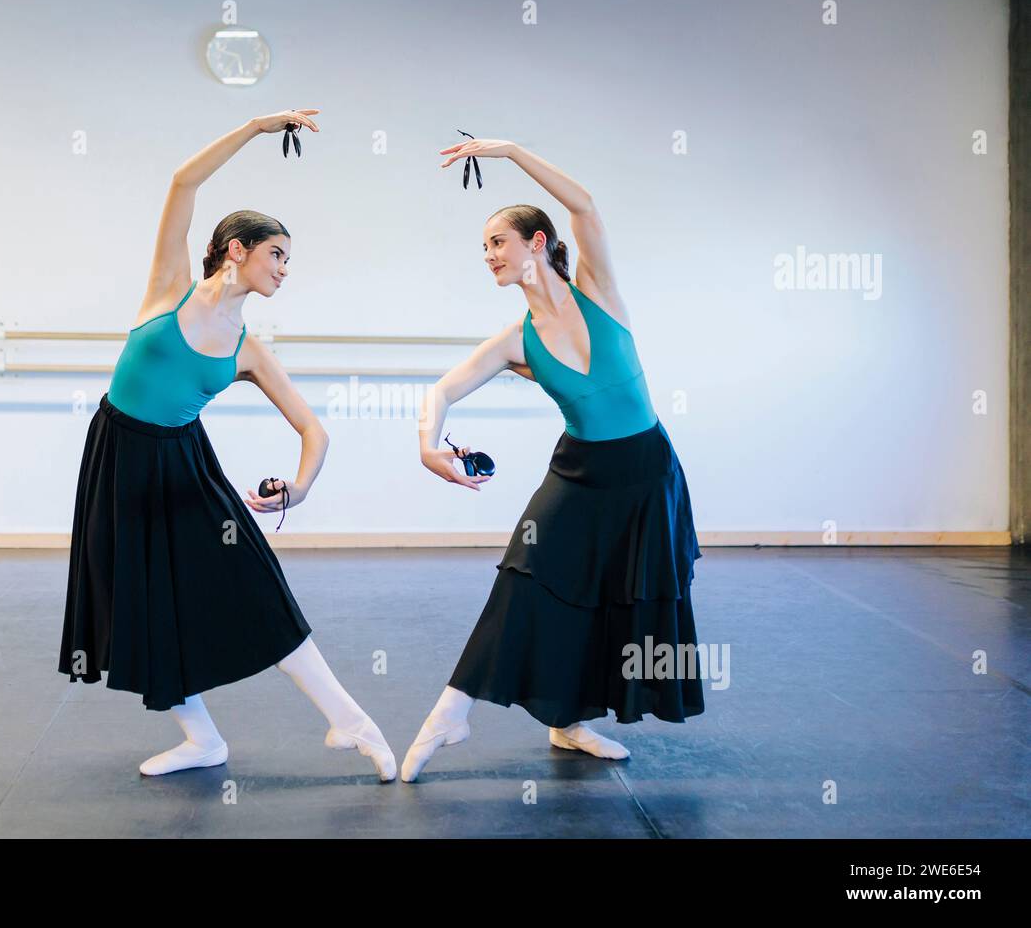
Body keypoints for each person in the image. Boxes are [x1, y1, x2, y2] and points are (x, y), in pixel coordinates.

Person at [58, 110, 395, 782]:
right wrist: (256, 126)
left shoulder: (247, 349)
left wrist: (297, 488)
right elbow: (184, 182)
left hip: (185, 466)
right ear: (236, 248)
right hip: (118, 459)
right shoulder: (168, 288)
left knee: (256, 585)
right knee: (135, 602)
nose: (285, 270)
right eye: (277, 254)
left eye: (289, 262)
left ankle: (349, 719)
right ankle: (202, 739)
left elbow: (313, 429)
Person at [400, 137, 704, 783]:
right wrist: (430, 443)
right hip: (580, 474)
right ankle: (452, 712)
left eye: (497, 242)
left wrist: (510, 151)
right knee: (526, 576)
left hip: (648, 472)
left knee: (616, 597)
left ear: (536, 242)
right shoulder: (517, 340)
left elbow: (585, 205)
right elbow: (443, 389)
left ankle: (569, 722)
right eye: (483, 247)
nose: (488, 256)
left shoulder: (599, 292)